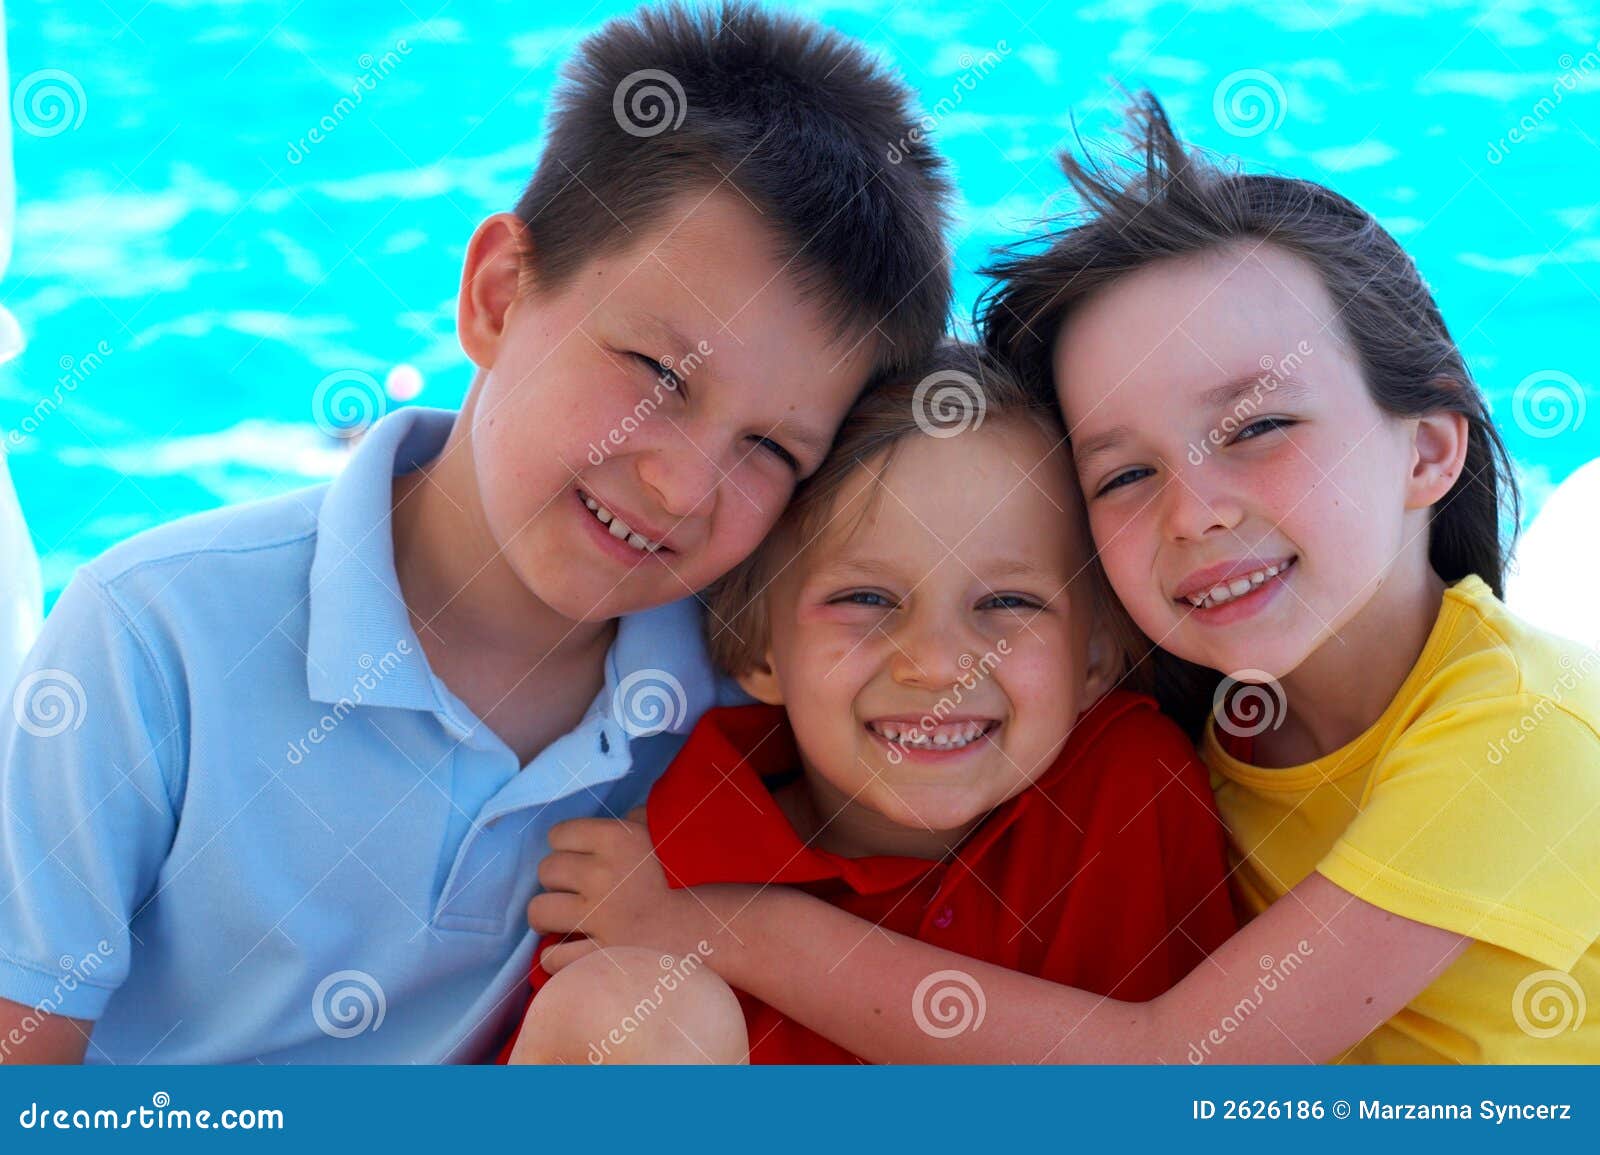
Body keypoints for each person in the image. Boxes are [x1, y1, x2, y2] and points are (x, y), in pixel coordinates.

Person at [529, 93, 1600, 1064]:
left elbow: (1180, 1068)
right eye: (1126, 472)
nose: (1196, 511)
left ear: (1425, 452)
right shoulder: (1185, 721)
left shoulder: (1527, 729)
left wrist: (720, 921)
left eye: (1260, 425)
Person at [0, 2, 953, 1064]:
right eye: (657, 376)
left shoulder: (748, 684)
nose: (684, 487)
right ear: (497, 296)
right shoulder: (151, 637)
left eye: (772, 450)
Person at [513, 344, 1235, 1063]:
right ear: (760, 649)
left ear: (1094, 661)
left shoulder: (1127, 791)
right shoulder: (646, 874)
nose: (937, 664)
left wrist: (741, 932)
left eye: (1009, 601)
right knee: (627, 1005)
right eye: (865, 598)